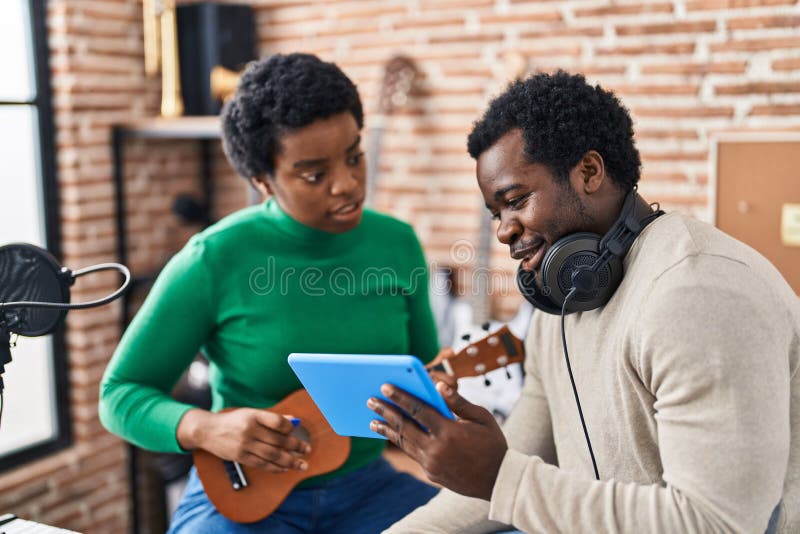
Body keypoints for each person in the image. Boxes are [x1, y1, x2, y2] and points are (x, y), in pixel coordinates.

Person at [370, 71, 799, 533]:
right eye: (497, 213)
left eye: (516, 200)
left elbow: (715, 523)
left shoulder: (696, 292)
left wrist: (500, 477)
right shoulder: (561, 300)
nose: (503, 230)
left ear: (589, 172)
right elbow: (523, 453)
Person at [99, 53, 440, 533]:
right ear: (263, 181)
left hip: (371, 489)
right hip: (243, 495)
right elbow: (119, 394)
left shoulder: (397, 243)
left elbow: (427, 369)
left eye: (354, 156)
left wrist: (441, 394)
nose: (347, 184)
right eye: (314, 174)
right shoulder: (214, 257)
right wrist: (207, 429)